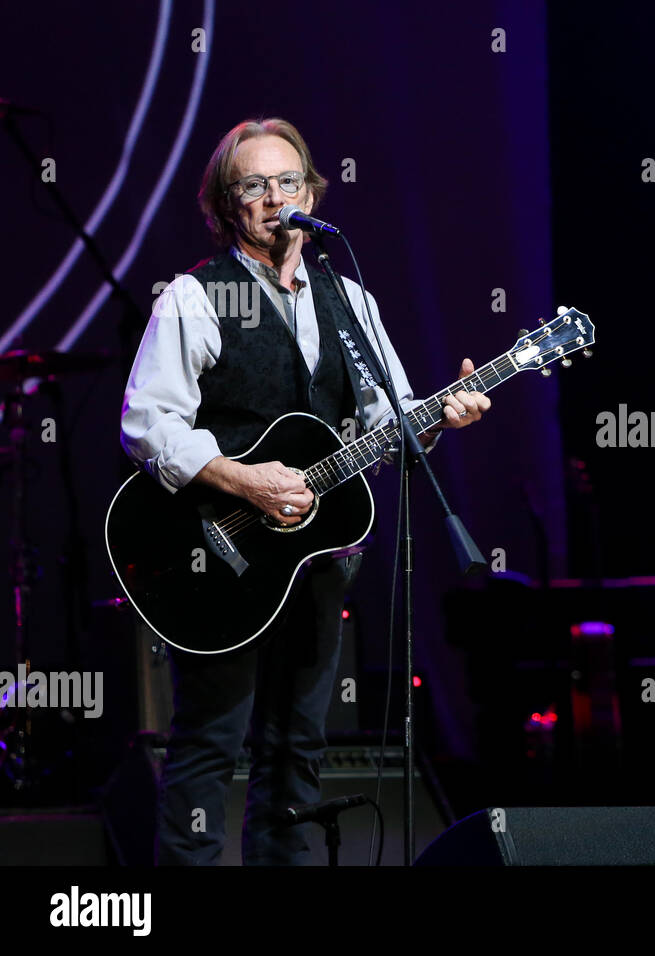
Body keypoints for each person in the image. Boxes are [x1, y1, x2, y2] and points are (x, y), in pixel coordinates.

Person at [120, 117, 490, 864]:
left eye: (287, 181)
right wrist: (239, 476)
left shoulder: (347, 297)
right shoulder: (196, 297)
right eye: (252, 185)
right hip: (220, 554)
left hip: (317, 559)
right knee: (209, 746)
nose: (273, 197)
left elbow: (393, 424)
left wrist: (444, 416)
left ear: (312, 193)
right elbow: (147, 422)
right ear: (227, 204)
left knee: (298, 751)